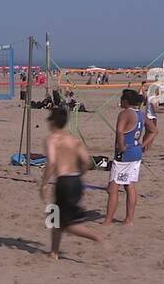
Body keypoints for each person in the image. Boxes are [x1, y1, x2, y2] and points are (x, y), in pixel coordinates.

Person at [39, 107, 105, 259]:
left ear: (53, 122)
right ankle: (54, 252)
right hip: (75, 180)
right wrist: (79, 174)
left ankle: (97, 237)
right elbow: (87, 161)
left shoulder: (52, 139)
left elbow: (52, 163)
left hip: (64, 182)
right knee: (54, 216)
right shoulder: (74, 140)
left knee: (70, 225)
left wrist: (43, 183)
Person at [104, 89, 156, 226]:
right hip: (136, 153)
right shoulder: (141, 114)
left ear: (126, 101)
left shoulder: (125, 113)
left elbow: (120, 131)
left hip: (125, 154)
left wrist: (120, 147)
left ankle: (108, 220)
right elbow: (154, 130)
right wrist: (143, 145)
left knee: (113, 188)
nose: (120, 102)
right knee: (129, 184)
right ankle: (129, 219)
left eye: (122, 99)